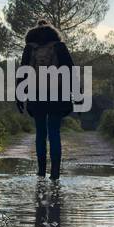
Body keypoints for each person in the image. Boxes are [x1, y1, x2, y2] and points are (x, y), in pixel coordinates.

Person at [15, 18, 75, 179]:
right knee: (54, 131)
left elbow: (22, 72)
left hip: (36, 94)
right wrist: (76, 93)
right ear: (53, 33)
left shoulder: (30, 48)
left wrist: (19, 96)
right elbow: (70, 70)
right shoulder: (59, 46)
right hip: (58, 94)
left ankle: (41, 171)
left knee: (40, 132)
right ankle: (55, 172)